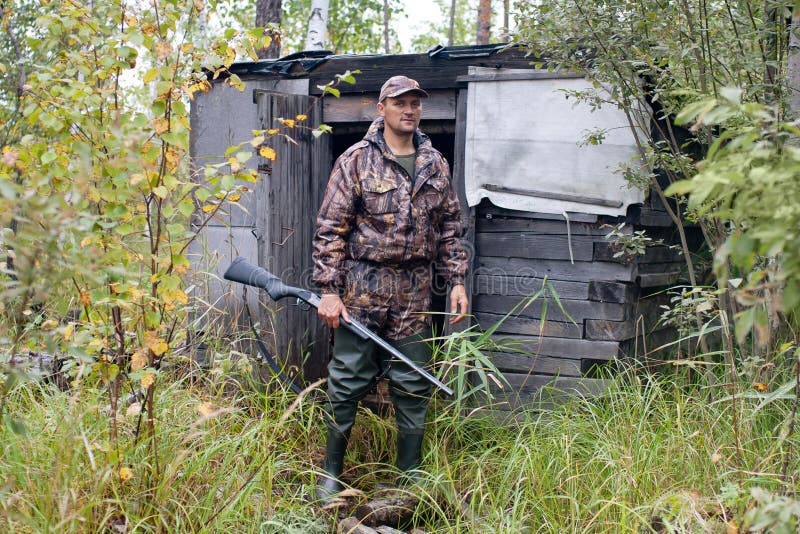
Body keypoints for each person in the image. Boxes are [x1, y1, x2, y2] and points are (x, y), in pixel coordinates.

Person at [311, 75, 470, 500]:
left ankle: (410, 473)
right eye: (400, 102)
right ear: (381, 108)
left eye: (415, 103)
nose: (409, 109)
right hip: (363, 285)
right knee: (346, 379)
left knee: (414, 380)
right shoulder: (357, 160)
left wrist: (456, 279)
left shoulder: (435, 163)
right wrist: (328, 289)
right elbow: (330, 229)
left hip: (416, 289)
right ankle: (331, 474)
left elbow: (451, 226)